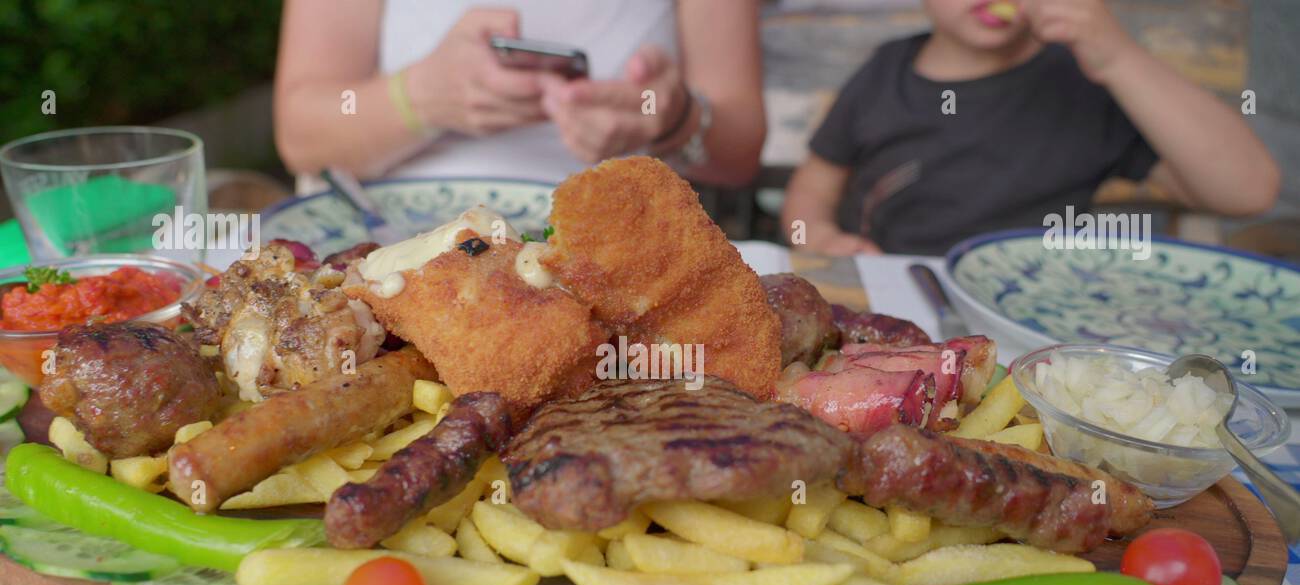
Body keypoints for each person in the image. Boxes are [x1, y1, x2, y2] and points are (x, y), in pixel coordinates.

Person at [781, 0, 1282, 256]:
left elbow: (1248, 192)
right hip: (884, 308)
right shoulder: (884, 74)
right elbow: (810, 192)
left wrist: (1117, 55)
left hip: (1028, 327)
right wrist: (822, 239)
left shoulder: (1085, 83)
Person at [273, 0, 765, 188]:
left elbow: (739, 152)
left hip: (616, 266)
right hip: (386, 253)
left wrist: (672, 118)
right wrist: (422, 98)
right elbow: (302, 137)